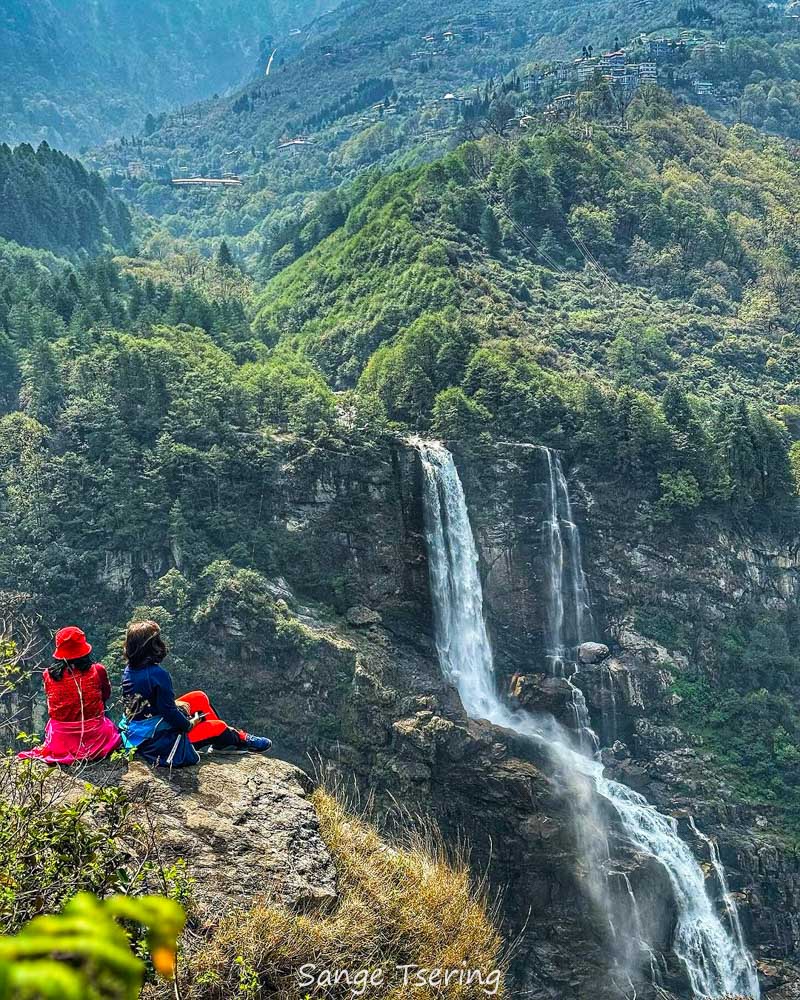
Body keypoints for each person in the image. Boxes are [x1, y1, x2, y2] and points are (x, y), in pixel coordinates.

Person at [119, 620, 271, 767]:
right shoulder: (157, 674)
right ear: (152, 647)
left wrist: (177, 709)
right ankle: (234, 738)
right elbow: (170, 715)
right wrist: (191, 723)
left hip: (142, 729)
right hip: (159, 742)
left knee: (199, 697)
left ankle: (224, 740)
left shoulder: (130, 669)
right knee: (219, 726)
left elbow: (151, 703)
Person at [18, 626, 121, 765]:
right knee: (105, 715)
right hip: (96, 738)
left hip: (61, 740)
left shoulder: (48, 675)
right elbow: (106, 695)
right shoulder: (97, 670)